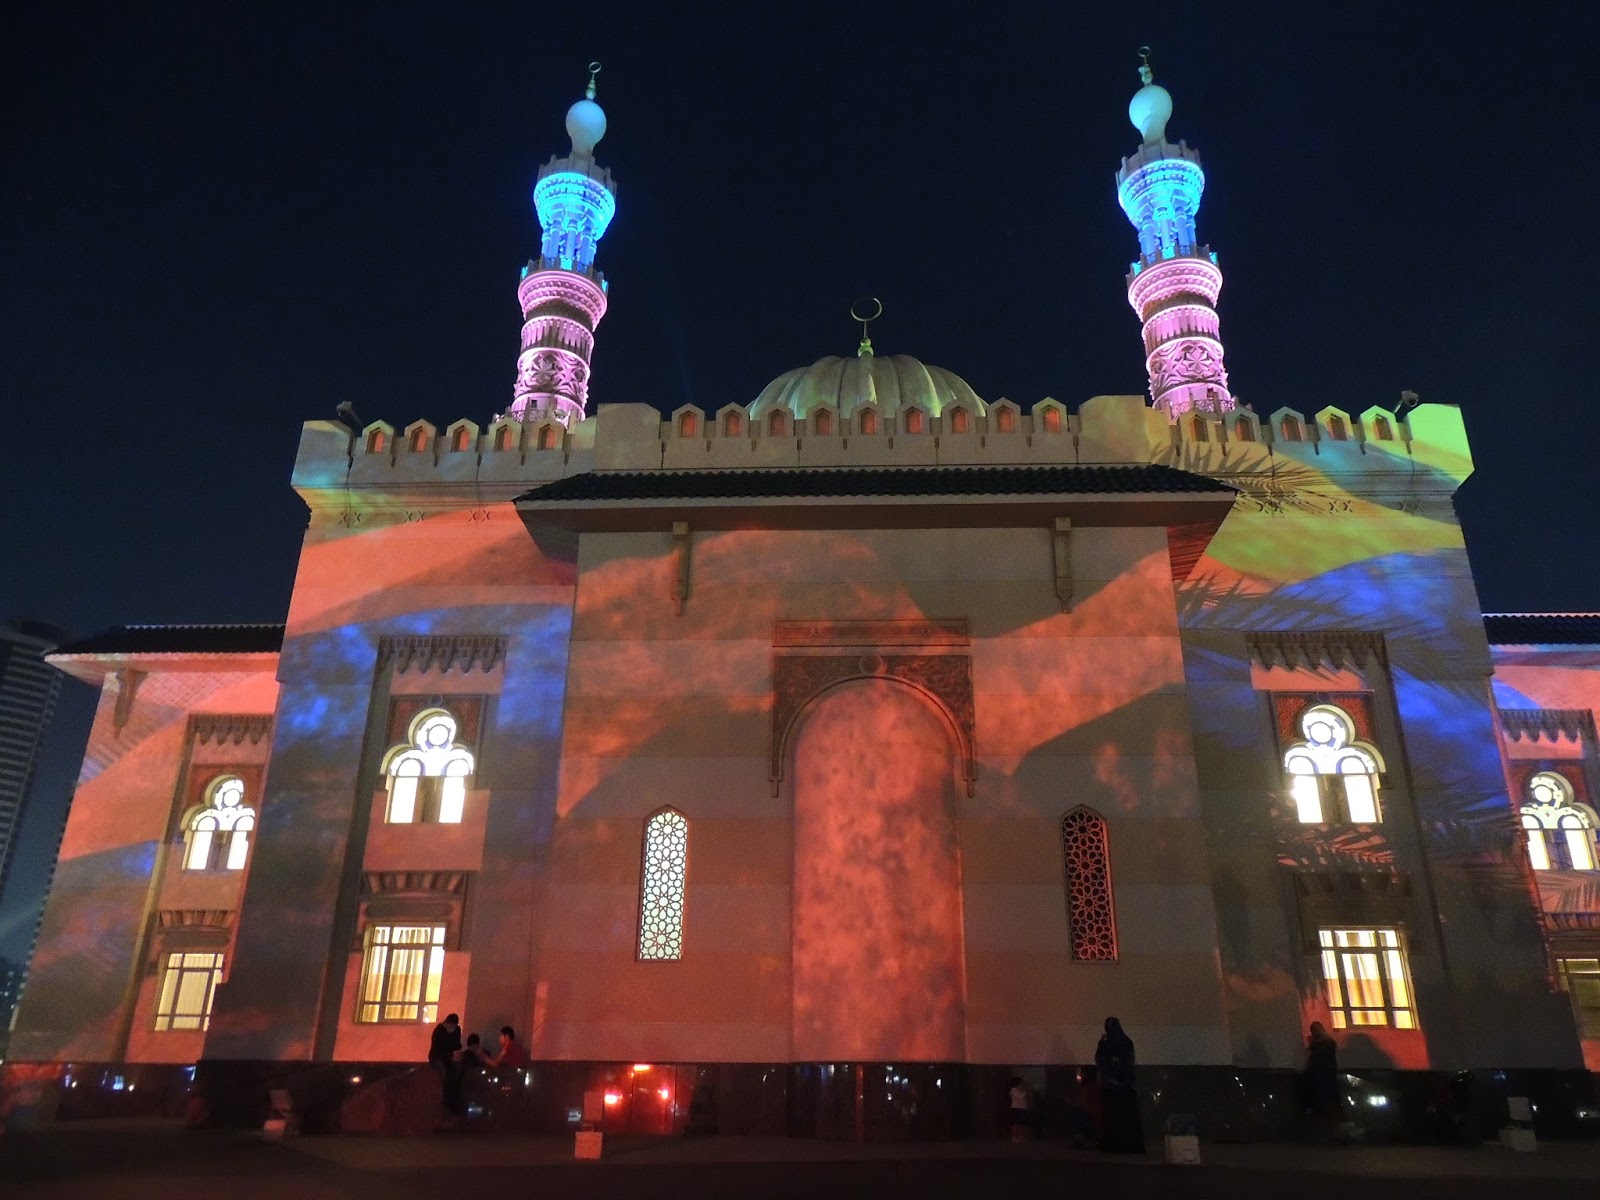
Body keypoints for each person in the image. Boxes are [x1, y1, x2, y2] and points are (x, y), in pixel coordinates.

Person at [1094, 1017, 1144, 1153]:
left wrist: (1114, 1078)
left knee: (1118, 1118)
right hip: (1118, 1087)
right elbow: (1103, 1061)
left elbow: (1123, 1062)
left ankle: (1119, 1145)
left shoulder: (1116, 1043)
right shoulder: (1118, 1042)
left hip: (1118, 1087)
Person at [1303, 1021, 1341, 1140]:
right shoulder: (1325, 1043)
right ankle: (1330, 1134)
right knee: (1326, 1107)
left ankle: (1333, 1135)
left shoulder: (1326, 1043)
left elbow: (1318, 1058)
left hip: (1324, 1080)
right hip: (1321, 1079)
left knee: (1329, 1107)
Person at [428, 1012, 464, 1129]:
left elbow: (457, 1044)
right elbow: (437, 1050)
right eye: (450, 1026)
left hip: (450, 1057)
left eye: (453, 1027)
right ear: (446, 1024)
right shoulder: (439, 1032)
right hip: (437, 1057)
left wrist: (457, 1053)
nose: (452, 1029)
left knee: (457, 1070)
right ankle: (446, 1097)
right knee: (443, 1073)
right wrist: (450, 1055)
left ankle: (454, 1094)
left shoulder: (457, 1030)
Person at [1007, 1076, 1031, 1143]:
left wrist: (1026, 1108)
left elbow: (1024, 1100)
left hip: (1022, 1108)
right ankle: (1014, 1137)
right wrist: (1020, 1091)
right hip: (1016, 1108)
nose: (1022, 1085)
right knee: (1015, 1124)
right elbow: (1018, 1097)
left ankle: (1020, 1137)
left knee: (1021, 1124)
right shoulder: (1013, 1090)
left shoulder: (1024, 1091)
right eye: (1021, 1083)